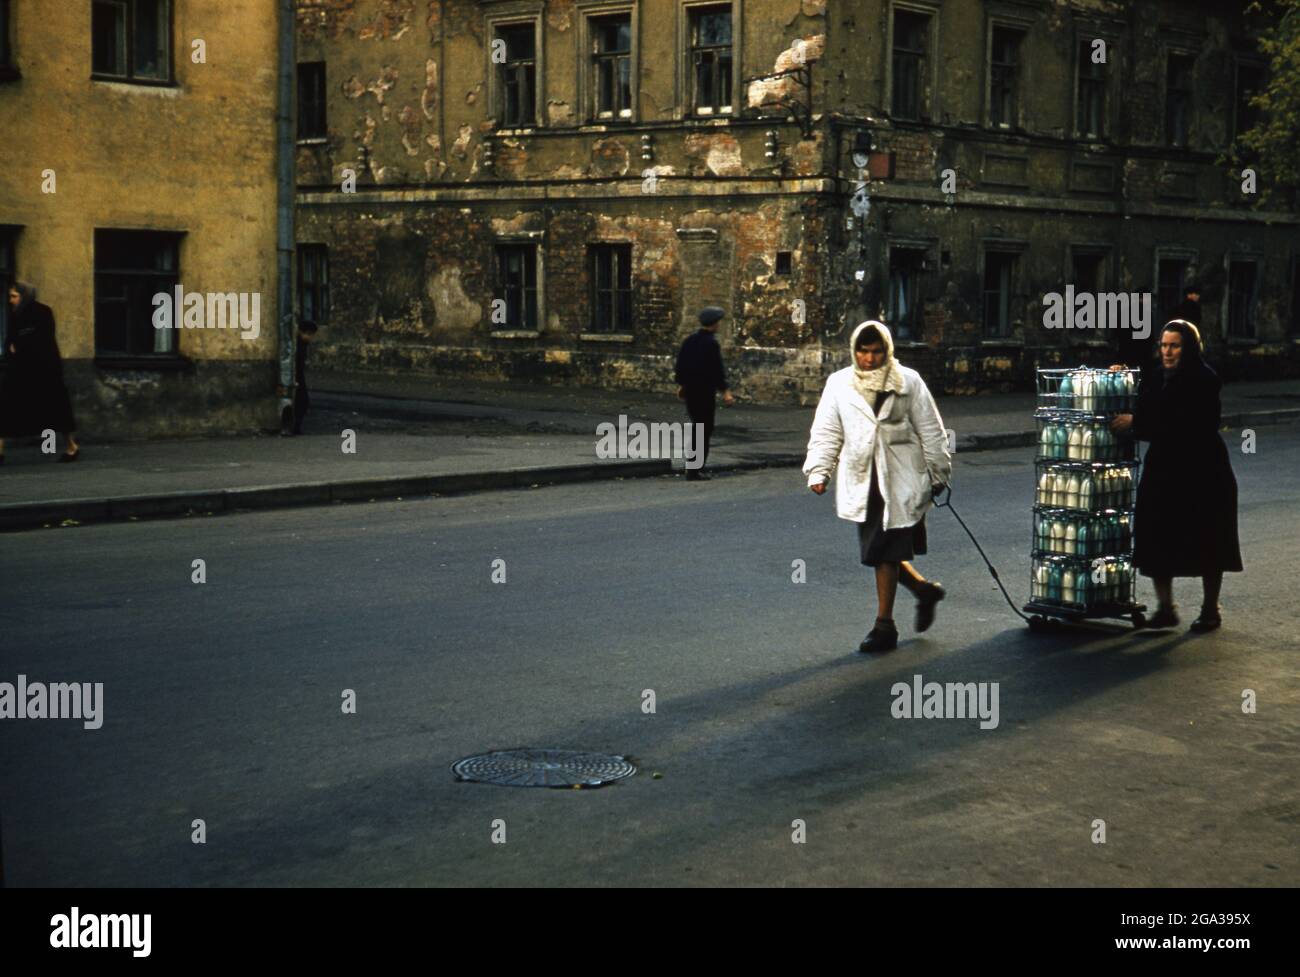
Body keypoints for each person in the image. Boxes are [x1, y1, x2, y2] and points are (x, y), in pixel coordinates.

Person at [804, 320, 952, 652]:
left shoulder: (908, 381)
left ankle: (884, 627)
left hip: (902, 477)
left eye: (876, 351)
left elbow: (930, 429)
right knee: (878, 550)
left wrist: (939, 472)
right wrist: (819, 471)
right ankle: (924, 590)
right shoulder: (839, 384)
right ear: (854, 350)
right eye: (863, 350)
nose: (869, 358)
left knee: (885, 549)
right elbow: (827, 431)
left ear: (887, 350)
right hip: (862, 478)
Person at [1109, 319, 1242, 632]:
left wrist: (1136, 422)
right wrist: (1122, 378)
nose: (1167, 352)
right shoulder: (1157, 377)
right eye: (1164, 345)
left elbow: (1183, 423)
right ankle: (1165, 607)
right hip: (1165, 467)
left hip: (1203, 468)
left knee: (1209, 537)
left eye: (1175, 346)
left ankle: (1211, 608)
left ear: (1189, 348)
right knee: (1154, 531)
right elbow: (1144, 402)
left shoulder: (1204, 380)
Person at [0, 282, 80, 464]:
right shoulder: (16, 314)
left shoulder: (43, 312)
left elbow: (43, 339)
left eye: (14, 296)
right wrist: (10, 349)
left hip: (44, 370)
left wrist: (18, 346)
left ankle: (72, 446)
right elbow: (10, 339)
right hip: (19, 369)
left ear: (24, 296)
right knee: (5, 406)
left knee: (55, 410)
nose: (10, 300)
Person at [673, 306, 734, 480]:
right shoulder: (711, 344)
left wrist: (682, 385)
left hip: (691, 391)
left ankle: (692, 467)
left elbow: (681, 365)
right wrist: (725, 392)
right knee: (704, 430)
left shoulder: (689, 341)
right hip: (704, 392)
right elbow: (716, 370)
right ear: (714, 324)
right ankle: (694, 469)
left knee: (697, 427)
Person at [292, 319, 318, 435]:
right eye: (309, 334)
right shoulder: (298, 345)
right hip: (297, 376)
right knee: (302, 401)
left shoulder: (301, 344)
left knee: (302, 401)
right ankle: (295, 426)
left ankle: (296, 426)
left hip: (298, 375)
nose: (310, 338)